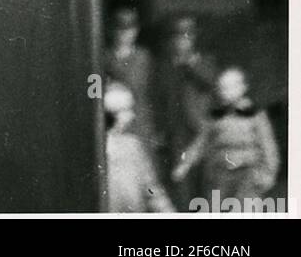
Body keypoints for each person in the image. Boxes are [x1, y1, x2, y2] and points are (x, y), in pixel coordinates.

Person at [172, 67, 279, 208]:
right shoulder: (216, 116)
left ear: (242, 88)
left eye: (230, 87)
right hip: (221, 174)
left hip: (248, 173)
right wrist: (185, 164)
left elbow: (268, 146)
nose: (225, 92)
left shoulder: (255, 114)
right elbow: (200, 142)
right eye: (222, 88)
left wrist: (269, 173)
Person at [153, 14, 218, 209]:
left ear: (194, 38)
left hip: (200, 130)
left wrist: (191, 64)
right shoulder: (164, 65)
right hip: (176, 131)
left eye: (187, 36)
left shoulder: (205, 60)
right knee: (180, 182)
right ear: (171, 40)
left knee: (205, 181)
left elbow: (212, 85)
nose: (182, 41)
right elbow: (158, 98)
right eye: (178, 37)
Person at [104, 82, 173, 214]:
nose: (131, 116)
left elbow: (152, 189)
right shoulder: (99, 149)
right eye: (125, 110)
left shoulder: (133, 145)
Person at [103, 5, 158, 150]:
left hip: (141, 125)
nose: (124, 33)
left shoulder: (144, 57)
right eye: (119, 28)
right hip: (113, 127)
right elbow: (93, 93)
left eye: (129, 28)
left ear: (136, 30)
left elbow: (154, 93)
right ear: (110, 29)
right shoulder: (100, 58)